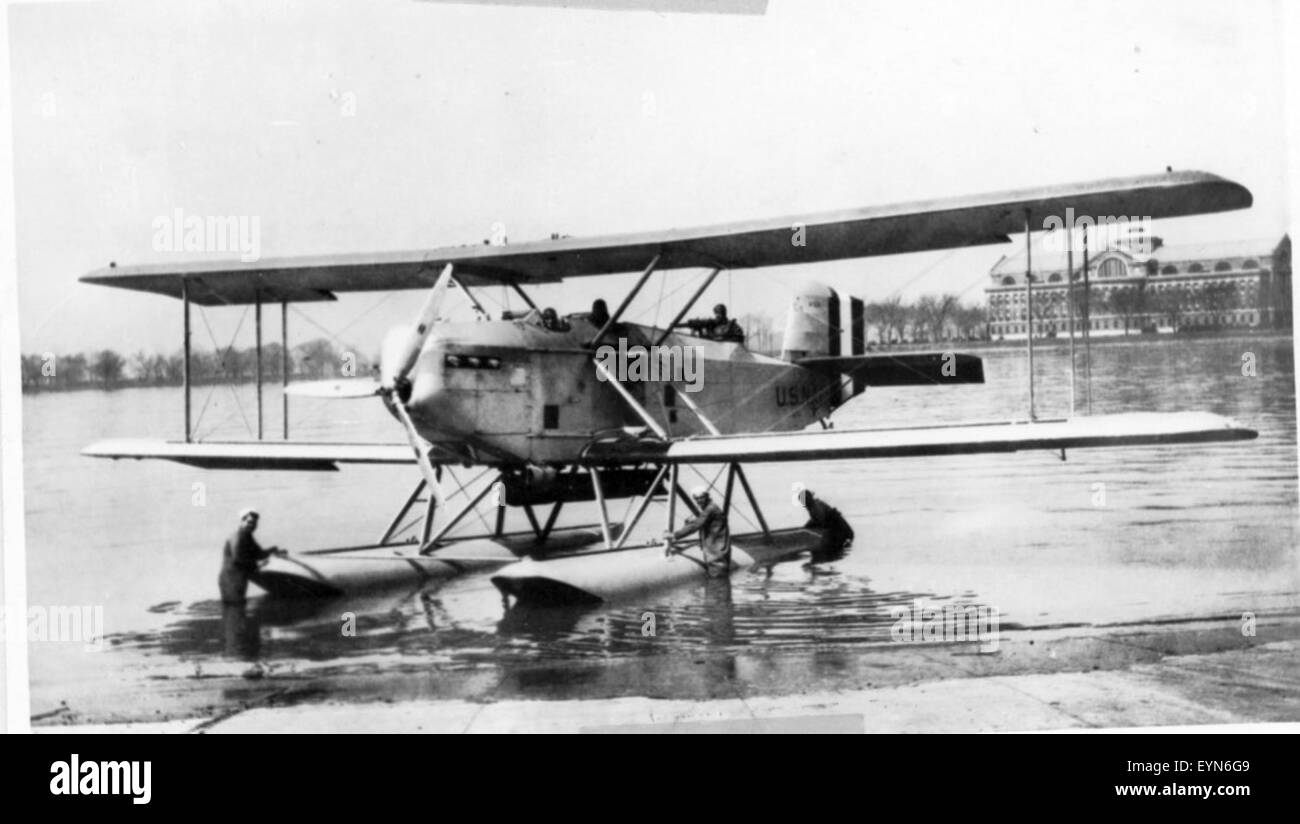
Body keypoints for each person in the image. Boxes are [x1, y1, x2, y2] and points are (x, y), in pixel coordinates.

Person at [218, 509, 283, 605]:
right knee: (235, 608)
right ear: (242, 521)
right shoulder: (238, 536)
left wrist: (272, 550)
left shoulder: (247, 536)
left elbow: (259, 553)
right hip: (231, 579)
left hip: (237, 578)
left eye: (254, 523)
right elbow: (238, 559)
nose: (252, 526)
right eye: (249, 522)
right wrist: (257, 564)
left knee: (238, 607)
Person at [665, 485, 731, 578]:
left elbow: (695, 526)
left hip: (716, 556)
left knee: (716, 582)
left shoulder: (710, 509)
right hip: (716, 553)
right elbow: (701, 524)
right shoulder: (710, 508)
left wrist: (674, 535)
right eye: (696, 499)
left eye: (702, 497)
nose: (699, 501)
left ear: (707, 496)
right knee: (717, 582)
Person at [801, 489, 854, 565]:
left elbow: (820, 521)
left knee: (839, 547)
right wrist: (806, 527)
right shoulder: (814, 505)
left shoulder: (815, 507)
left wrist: (808, 526)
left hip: (838, 526)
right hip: (836, 524)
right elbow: (816, 519)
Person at [675, 303, 744, 342]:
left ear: (724, 313)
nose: (718, 316)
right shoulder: (711, 324)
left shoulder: (733, 326)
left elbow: (739, 338)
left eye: (720, 313)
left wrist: (723, 340)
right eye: (716, 313)